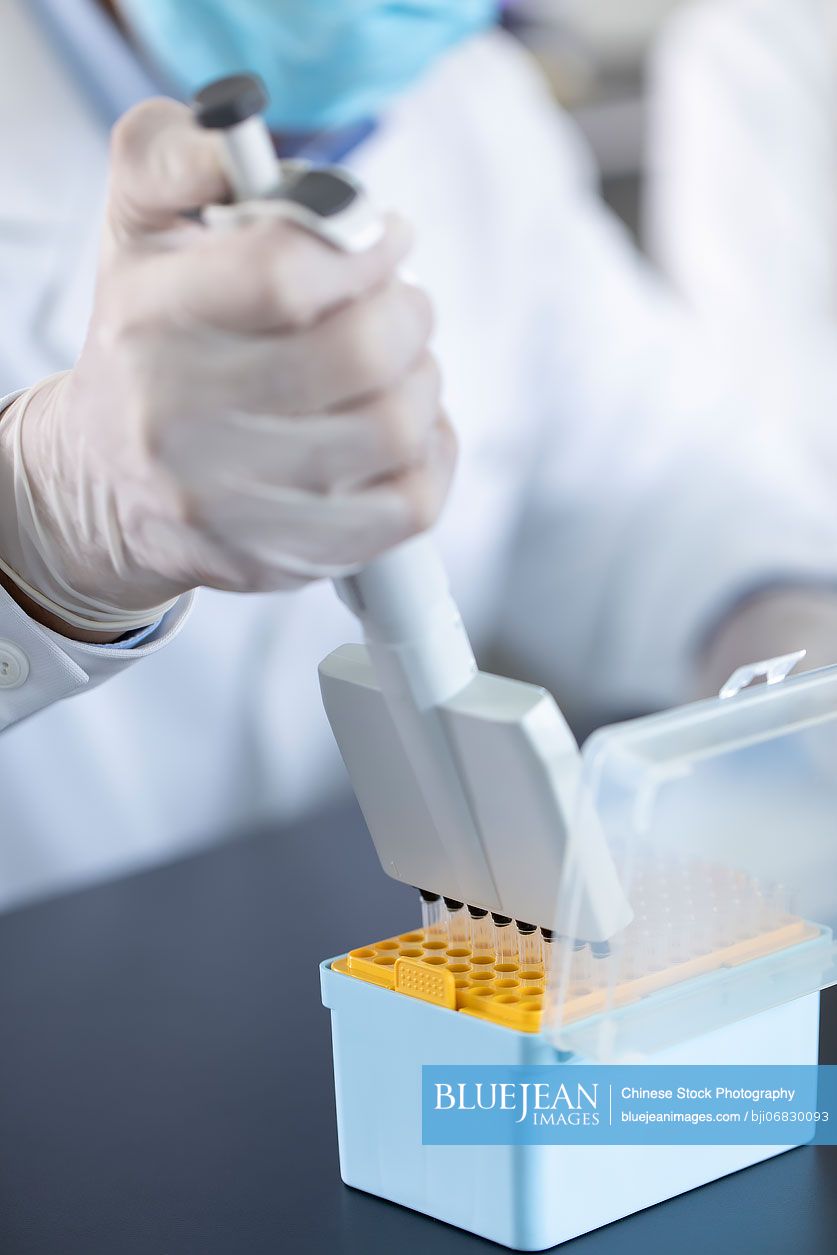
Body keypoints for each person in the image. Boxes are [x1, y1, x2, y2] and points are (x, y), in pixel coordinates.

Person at [1, 0, 835, 912]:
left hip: (362, 968)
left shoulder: (474, 110)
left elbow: (653, 486)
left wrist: (783, 637)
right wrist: (42, 530)